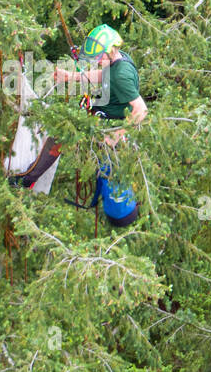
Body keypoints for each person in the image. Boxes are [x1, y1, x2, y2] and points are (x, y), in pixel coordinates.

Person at [53, 24, 146, 226]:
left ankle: (27, 178)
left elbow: (141, 109)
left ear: (109, 51)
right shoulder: (119, 60)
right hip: (105, 118)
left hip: (112, 128)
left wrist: (117, 134)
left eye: (98, 58)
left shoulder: (121, 76)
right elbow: (103, 76)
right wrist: (71, 78)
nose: (96, 63)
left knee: (56, 136)